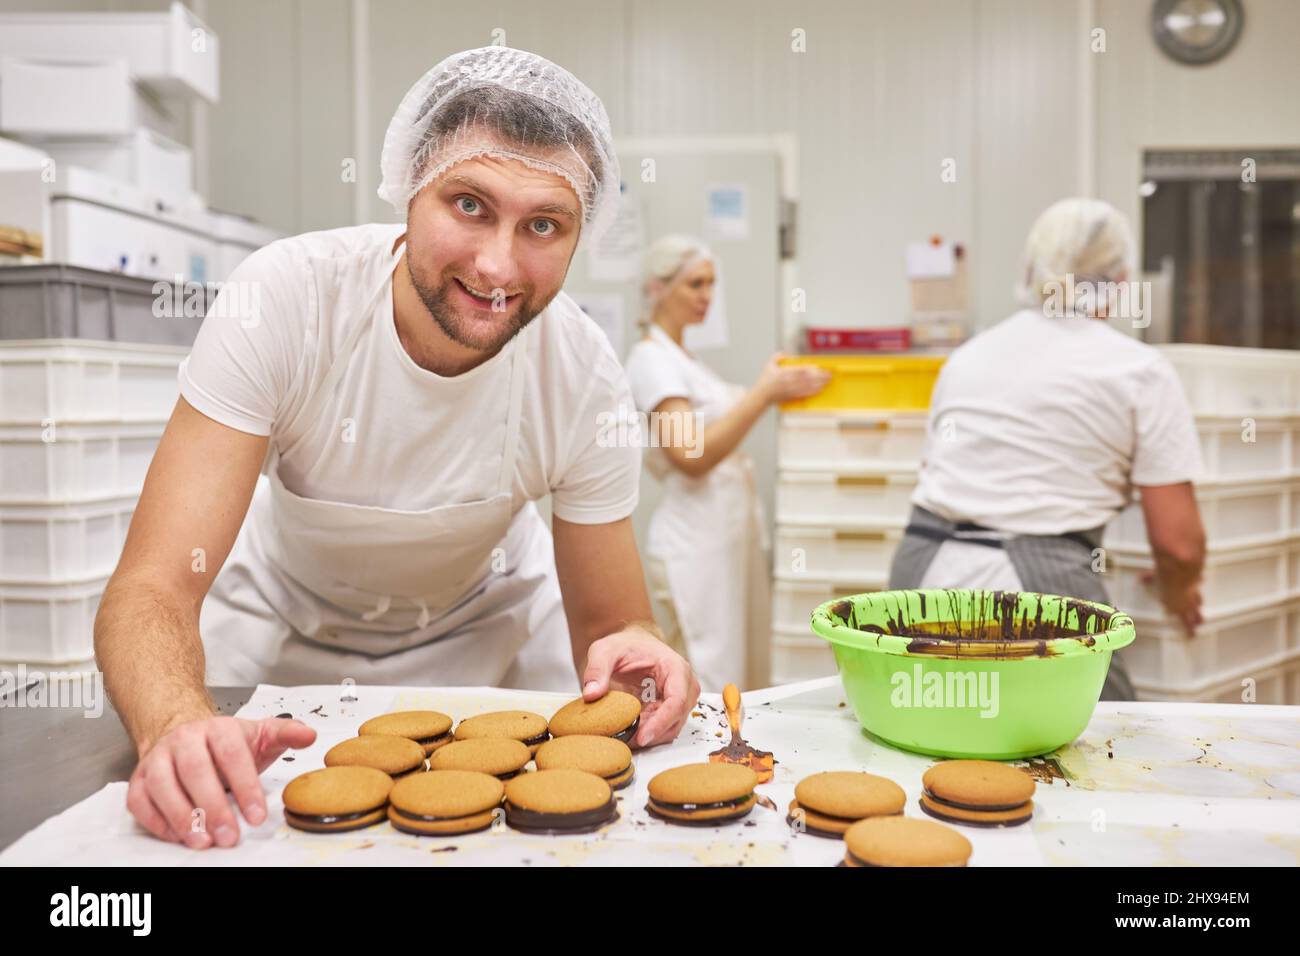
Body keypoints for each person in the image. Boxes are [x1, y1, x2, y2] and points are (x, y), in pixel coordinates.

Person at [95, 47, 700, 850]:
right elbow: (150, 589)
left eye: (544, 225)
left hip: (488, 667)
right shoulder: (285, 301)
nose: (497, 266)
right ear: (409, 188)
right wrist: (177, 720)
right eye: (470, 204)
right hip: (279, 644)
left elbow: (613, 624)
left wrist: (643, 652)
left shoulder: (582, 376)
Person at [888, 198, 1206, 700]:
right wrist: (1179, 589)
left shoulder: (967, 358)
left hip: (920, 574)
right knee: (1095, 743)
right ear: (1121, 281)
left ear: (1029, 269)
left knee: (921, 736)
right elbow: (1178, 543)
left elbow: (938, 471)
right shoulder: (1138, 370)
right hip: (1040, 590)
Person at [623, 235, 829, 691]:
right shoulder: (651, 361)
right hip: (695, 546)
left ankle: (737, 760)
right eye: (695, 283)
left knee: (740, 674)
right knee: (710, 681)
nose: (706, 296)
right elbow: (689, 456)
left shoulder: (685, 361)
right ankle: (707, 763)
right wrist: (764, 394)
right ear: (658, 288)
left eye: (712, 284)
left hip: (724, 541)